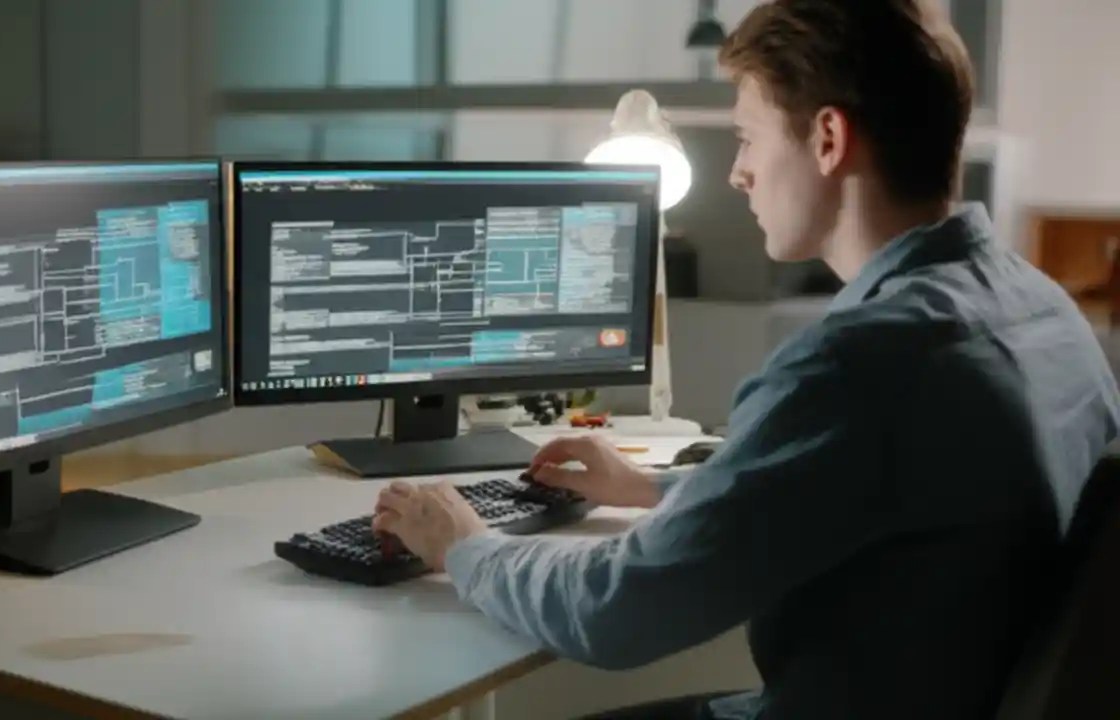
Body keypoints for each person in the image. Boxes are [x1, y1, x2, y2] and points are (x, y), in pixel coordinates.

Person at [372, 1, 1120, 717]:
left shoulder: (859, 365)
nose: (738, 173)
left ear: (828, 139)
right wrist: (657, 488)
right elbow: (870, 488)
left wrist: (466, 547)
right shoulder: (1043, 311)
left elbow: (616, 611)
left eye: (748, 137)